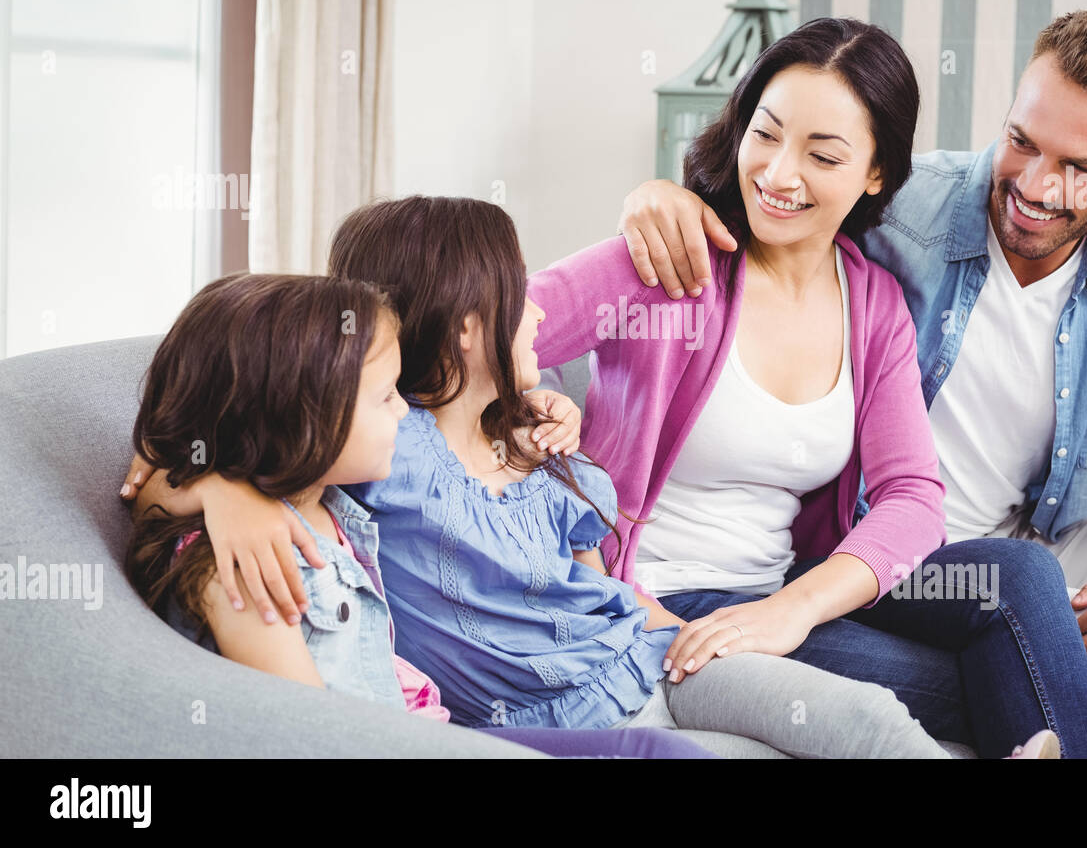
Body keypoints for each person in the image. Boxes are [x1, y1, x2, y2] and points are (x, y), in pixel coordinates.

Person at [127, 197, 1059, 758]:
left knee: (865, 717)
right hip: (548, 704)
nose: (540, 317)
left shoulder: (520, 442)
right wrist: (220, 492)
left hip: (651, 646)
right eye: (517, 301)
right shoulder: (381, 462)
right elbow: (193, 458)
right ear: (462, 332)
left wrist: (669, 615)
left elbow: (590, 580)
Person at [617, 9, 1087, 758]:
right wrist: (661, 195)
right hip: (878, 551)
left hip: (1031, 546)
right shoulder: (905, 207)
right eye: (1021, 142)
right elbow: (768, 217)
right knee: (1023, 593)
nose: (1035, 186)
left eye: (1078, 168)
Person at [526, 17, 1087, 758]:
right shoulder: (670, 260)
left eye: (821, 154)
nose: (777, 174)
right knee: (996, 686)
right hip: (671, 598)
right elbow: (479, 325)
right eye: (764, 134)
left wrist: (793, 610)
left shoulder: (871, 302)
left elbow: (911, 497)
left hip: (784, 586)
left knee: (1020, 576)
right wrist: (525, 412)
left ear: (875, 174)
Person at [124, 271, 715, 759]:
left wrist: (220, 491)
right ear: (303, 417)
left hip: (431, 729)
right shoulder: (249, 567)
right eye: (386, 399)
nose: (406, 415)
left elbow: (165, 484)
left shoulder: (329, 501)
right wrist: (220, 494)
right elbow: (308, 734)